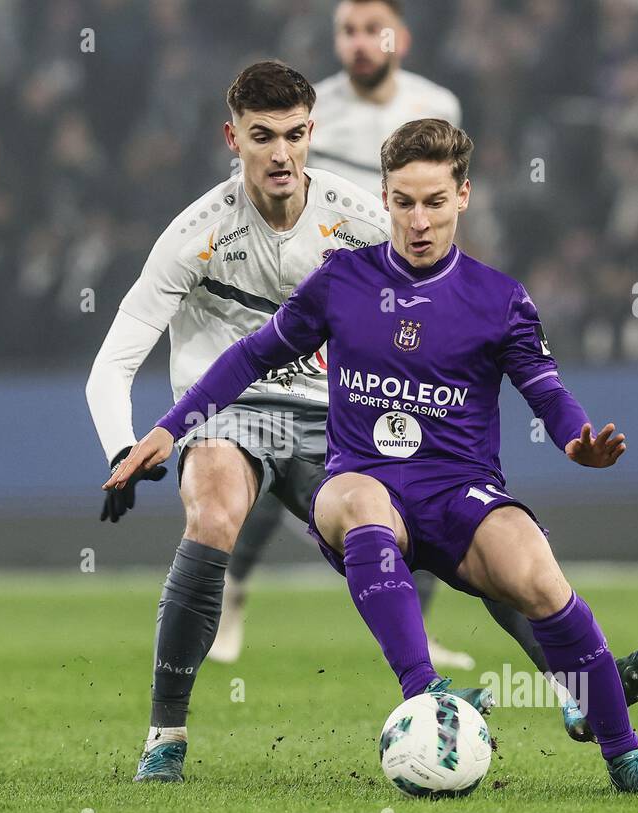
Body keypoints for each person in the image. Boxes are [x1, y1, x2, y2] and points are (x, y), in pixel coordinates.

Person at [108, 118, 638, 793]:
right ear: (384, 198)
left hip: (459, 494)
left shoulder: (499, 300)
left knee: (534, 568)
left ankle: (626, 757)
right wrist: (170, 427)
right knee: (358, 501)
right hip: (361, 481)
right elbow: (250, 356)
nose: (419, 220)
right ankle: (428, 692)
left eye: (435, 202)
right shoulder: (342, 281)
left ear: (464, 196)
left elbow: (546, 391)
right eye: (405, 202)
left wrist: (576, 441)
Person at [215, 0, 468, 668]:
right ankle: (232, 596)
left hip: (406, 302)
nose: (359, 43)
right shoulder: (313, 112)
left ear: (400, 38)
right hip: (328, 303)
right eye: (347, 32)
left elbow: (444, 195)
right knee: (286, 443)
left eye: (371, 30)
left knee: (432, 456)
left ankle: (419, 624)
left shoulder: (435, 103)